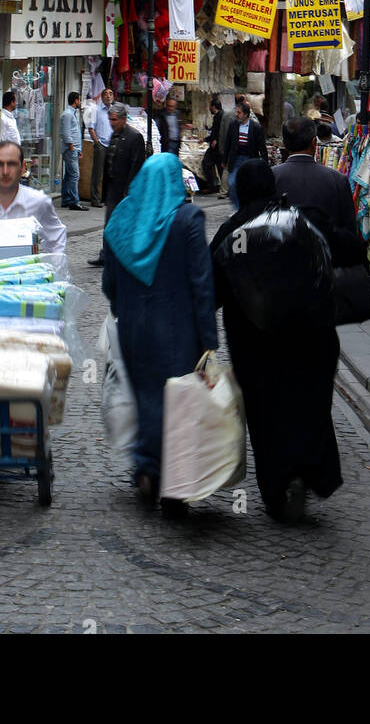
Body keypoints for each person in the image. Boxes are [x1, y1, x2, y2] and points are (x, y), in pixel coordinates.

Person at [210, 159, 341, 523]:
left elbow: (214, 289)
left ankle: (276, 488)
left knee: (265, 417)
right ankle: (308, 470)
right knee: (307, 406)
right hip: (310, 338)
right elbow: (331, 267)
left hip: (255, 345)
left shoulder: (233, 230)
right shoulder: (301, 220)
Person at [102, 153, 218, 514]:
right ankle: (174, 484)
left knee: (147, 400)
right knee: (179, 405)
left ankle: (147, 468)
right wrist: (209, 342)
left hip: (134, 329)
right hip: (179, 332)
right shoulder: (186, 220)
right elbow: (202, 283)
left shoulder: (122, 217)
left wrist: (125, 311)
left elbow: (109, 284)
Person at [272, 116, 357, 236]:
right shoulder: (338, 180)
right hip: (327, 250)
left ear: (284, 144)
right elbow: (349, 230)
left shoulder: (271, 176)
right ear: (314, 143)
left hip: (283, 249)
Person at [102, 103, 146, 221]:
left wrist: (129, 190)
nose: (111, 123)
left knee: (124, 222)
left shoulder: (135, 137)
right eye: (110, 119)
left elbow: (136, 166)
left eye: (114, 119)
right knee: (110, 222)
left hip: (125, 188)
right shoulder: (114, 135)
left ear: (123, 119)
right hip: (112, 186)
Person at [224, 99, 268, 207]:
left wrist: (264, 162)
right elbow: (227, 143)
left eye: (239, 113)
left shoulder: (256, 127)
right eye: (236, 112)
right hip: (236, 159)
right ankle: (238, 207)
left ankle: (248, 207)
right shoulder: (233, 125)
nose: (236, 115)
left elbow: (261, 146)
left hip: (250, 159)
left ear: (246, 114)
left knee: (248, 185)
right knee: (232, 183)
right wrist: (224, 160)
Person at [85, 87, 113, 205]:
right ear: (102, 97)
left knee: (109, 172)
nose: (108, 96)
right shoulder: (96, 110)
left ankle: (105, 198)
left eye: (110, 94)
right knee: (97, 173)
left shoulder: (113, 111)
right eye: (105, 94)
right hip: (101, 144)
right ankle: (95, 199)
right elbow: (91, 128)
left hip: (111, 145)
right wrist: (96, 142)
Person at [60, 91, 87, 210]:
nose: (80, 102)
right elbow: (66, 133)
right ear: (75, 100)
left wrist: (78, 149)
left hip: (74, 149)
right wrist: (72, 147)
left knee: (69, 175)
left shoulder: (72, 114)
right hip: (70, 149)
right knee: (74, 175)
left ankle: (66, 199)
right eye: (79, 100)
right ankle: (74, 201)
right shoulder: (67, 114)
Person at [200, 96, 224, 192]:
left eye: (210, 106)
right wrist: (206, 139)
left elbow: (221, 130)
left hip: (217, 147)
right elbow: (215, 130)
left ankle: (213, 186)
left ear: (213, 106)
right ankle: (218, 186)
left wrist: (216, 139)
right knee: (217, 165)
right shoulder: (219, 116)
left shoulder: (220, 116)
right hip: (216, 146)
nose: (209, 108)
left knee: (207, 163)